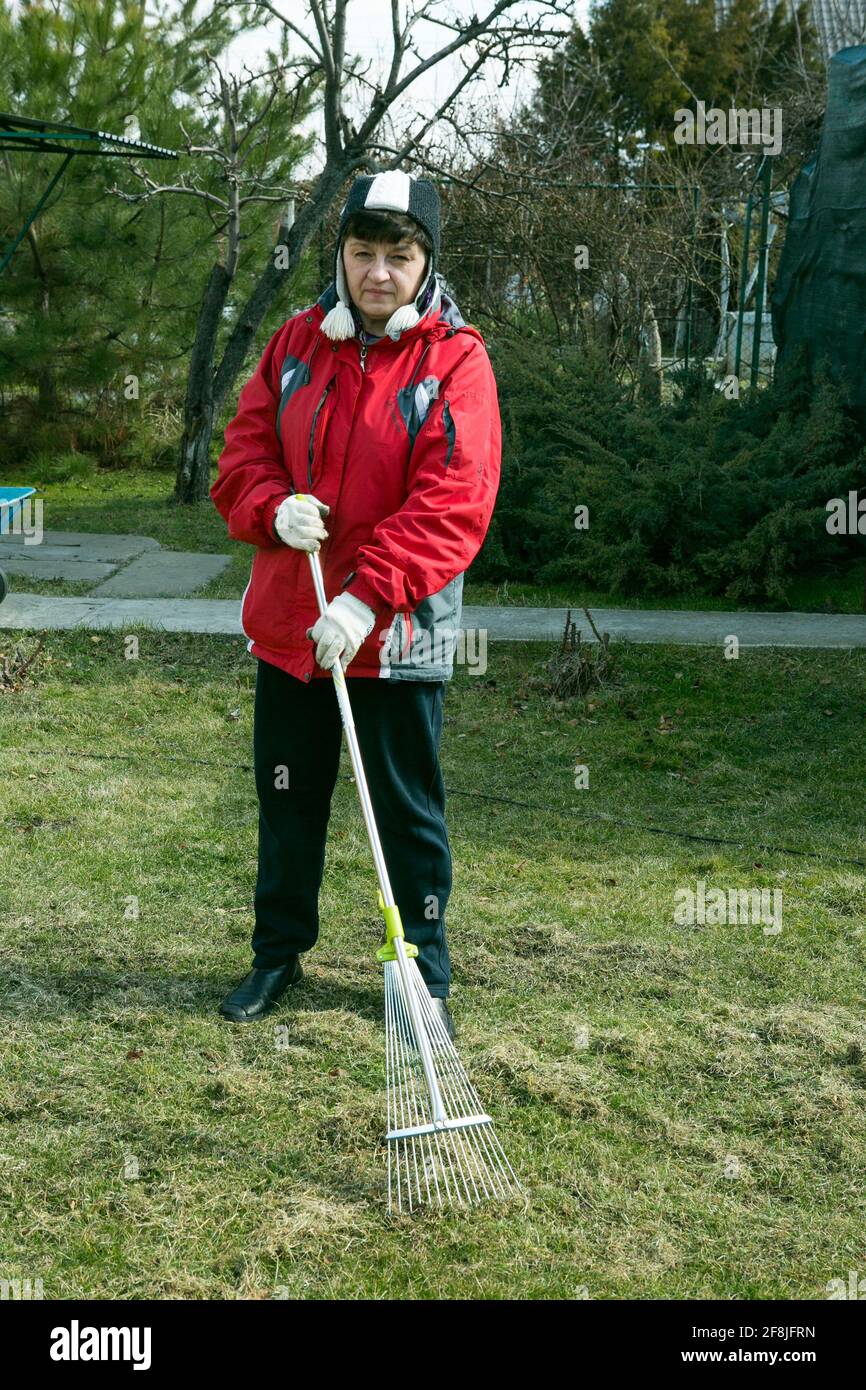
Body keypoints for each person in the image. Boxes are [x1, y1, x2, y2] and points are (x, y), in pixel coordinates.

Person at [210, 170, 502, 1036]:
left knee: (405, 813)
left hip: (394, 635)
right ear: (339, 254)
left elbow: (454, 504)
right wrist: (272, 507)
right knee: (288, 795)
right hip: (294, 626)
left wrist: (364, 602)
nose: (378, 273)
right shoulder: (297, 343)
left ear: (426, 261)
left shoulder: (457, 360)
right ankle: (277, 954)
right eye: (362, 251)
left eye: (398, 255)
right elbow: (242, 457)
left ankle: (424, 976)